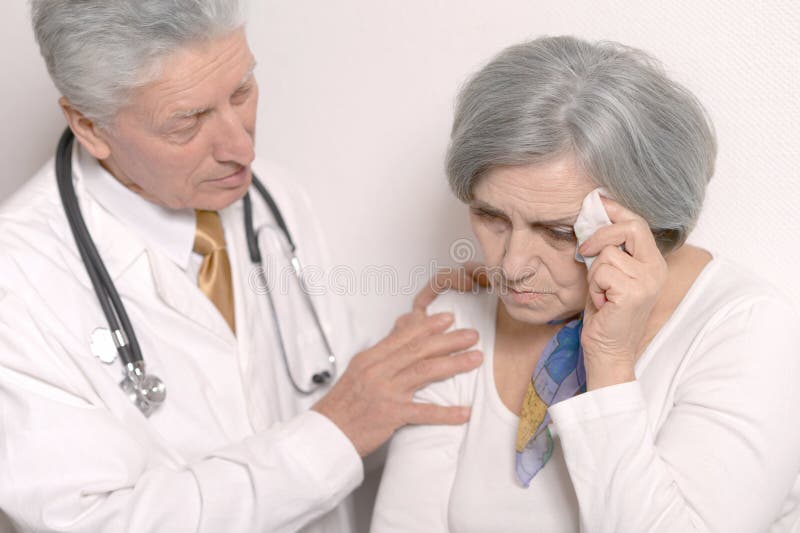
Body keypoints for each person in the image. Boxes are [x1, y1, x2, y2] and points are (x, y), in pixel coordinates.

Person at [0, 1, 484, 532]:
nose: (241, 146)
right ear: (90, 126)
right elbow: (94, 522)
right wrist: (332, 434)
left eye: (242, 91)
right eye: (187, 122)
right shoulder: (18, 281)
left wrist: (413, 360)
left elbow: (347, 432)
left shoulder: (276, 200)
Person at [372, 35, 800, 532]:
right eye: (491, 217)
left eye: (556, 231)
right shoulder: (459, 316)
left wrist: (611, 365)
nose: (511, 267)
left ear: (649, 224)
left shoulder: (750, 332)